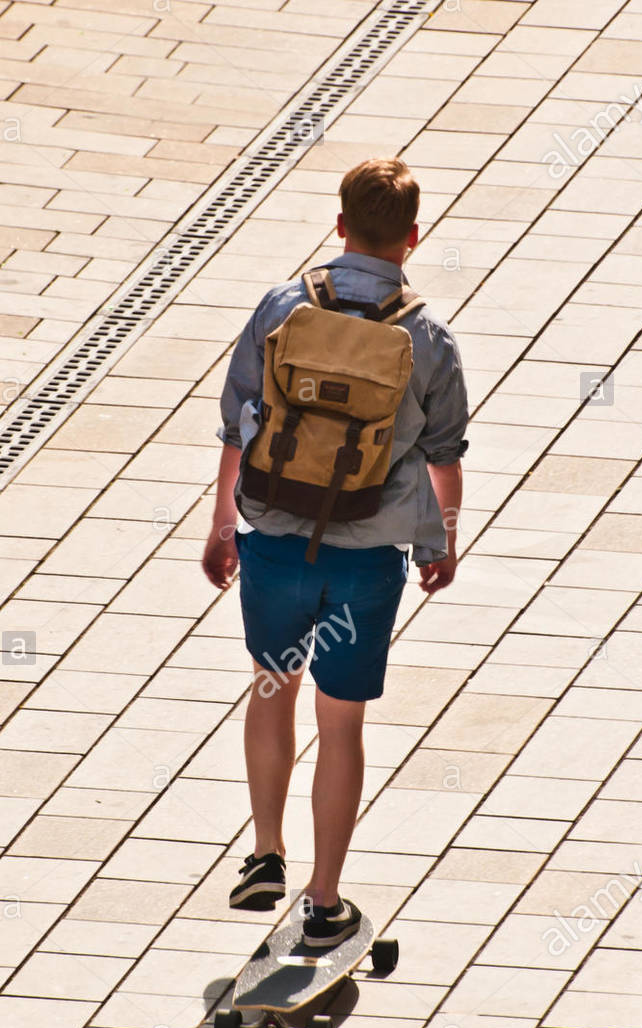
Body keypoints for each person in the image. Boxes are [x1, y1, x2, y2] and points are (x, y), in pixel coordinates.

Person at [202, 158, 468, 948]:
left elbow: (236, 422)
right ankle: (323, 900)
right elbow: (443, 455)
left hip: (274, 536)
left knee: (270, 688)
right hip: (367, 553)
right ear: (412, 239)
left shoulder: (282, 306)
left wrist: (223, 525)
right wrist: (440, 542)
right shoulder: (426, 336)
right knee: (341, 722)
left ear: (339, 224)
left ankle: (263, 854)